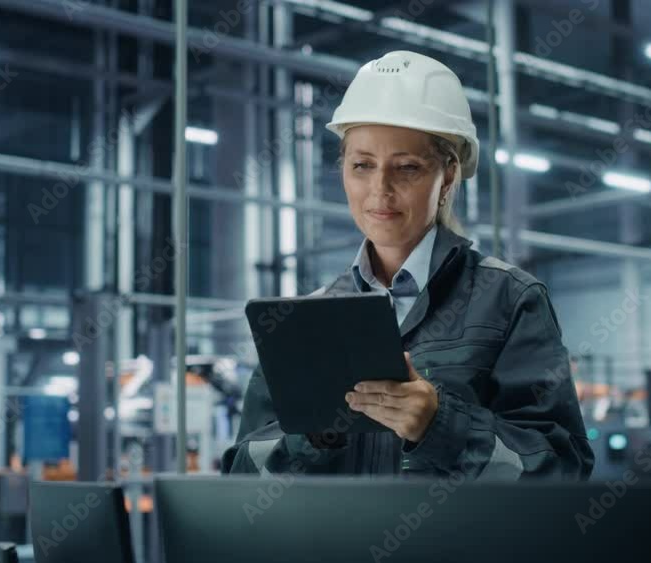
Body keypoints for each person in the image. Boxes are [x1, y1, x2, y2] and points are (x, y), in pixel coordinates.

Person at [223, 51, 593, 480]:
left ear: (448, 175)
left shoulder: (509, 301)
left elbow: (563, 472)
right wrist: (310, 436)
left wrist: (442, 426)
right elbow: (241, 477)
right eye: (362, 165)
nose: (380, 189)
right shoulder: (303, 321)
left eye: (407, 168)